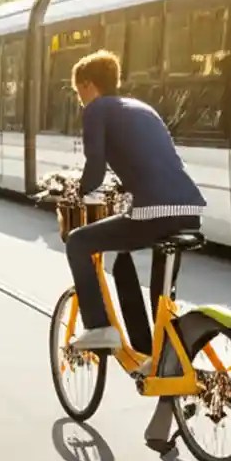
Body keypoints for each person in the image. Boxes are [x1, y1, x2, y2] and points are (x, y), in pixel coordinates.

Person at [64, 49, 206, 364]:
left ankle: (99, 327)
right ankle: (158, 356)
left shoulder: (96, 110)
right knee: (160, 296)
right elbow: (154, 161)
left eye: (78, 93)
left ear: (88, 85)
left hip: (153, 213)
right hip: (188, 211)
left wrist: (78, 191)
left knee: (78, 242)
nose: (80, 101)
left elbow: (95, 168)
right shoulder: (142, 109)